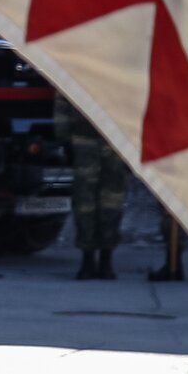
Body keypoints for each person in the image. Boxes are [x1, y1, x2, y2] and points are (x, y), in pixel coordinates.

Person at [55, 91, 129, 279]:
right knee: (84, 202)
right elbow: (62, 98)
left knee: (112, 201)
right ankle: (87, 258)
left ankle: (106, 258)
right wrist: (63, 137)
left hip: (116, 140)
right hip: (83, 139)